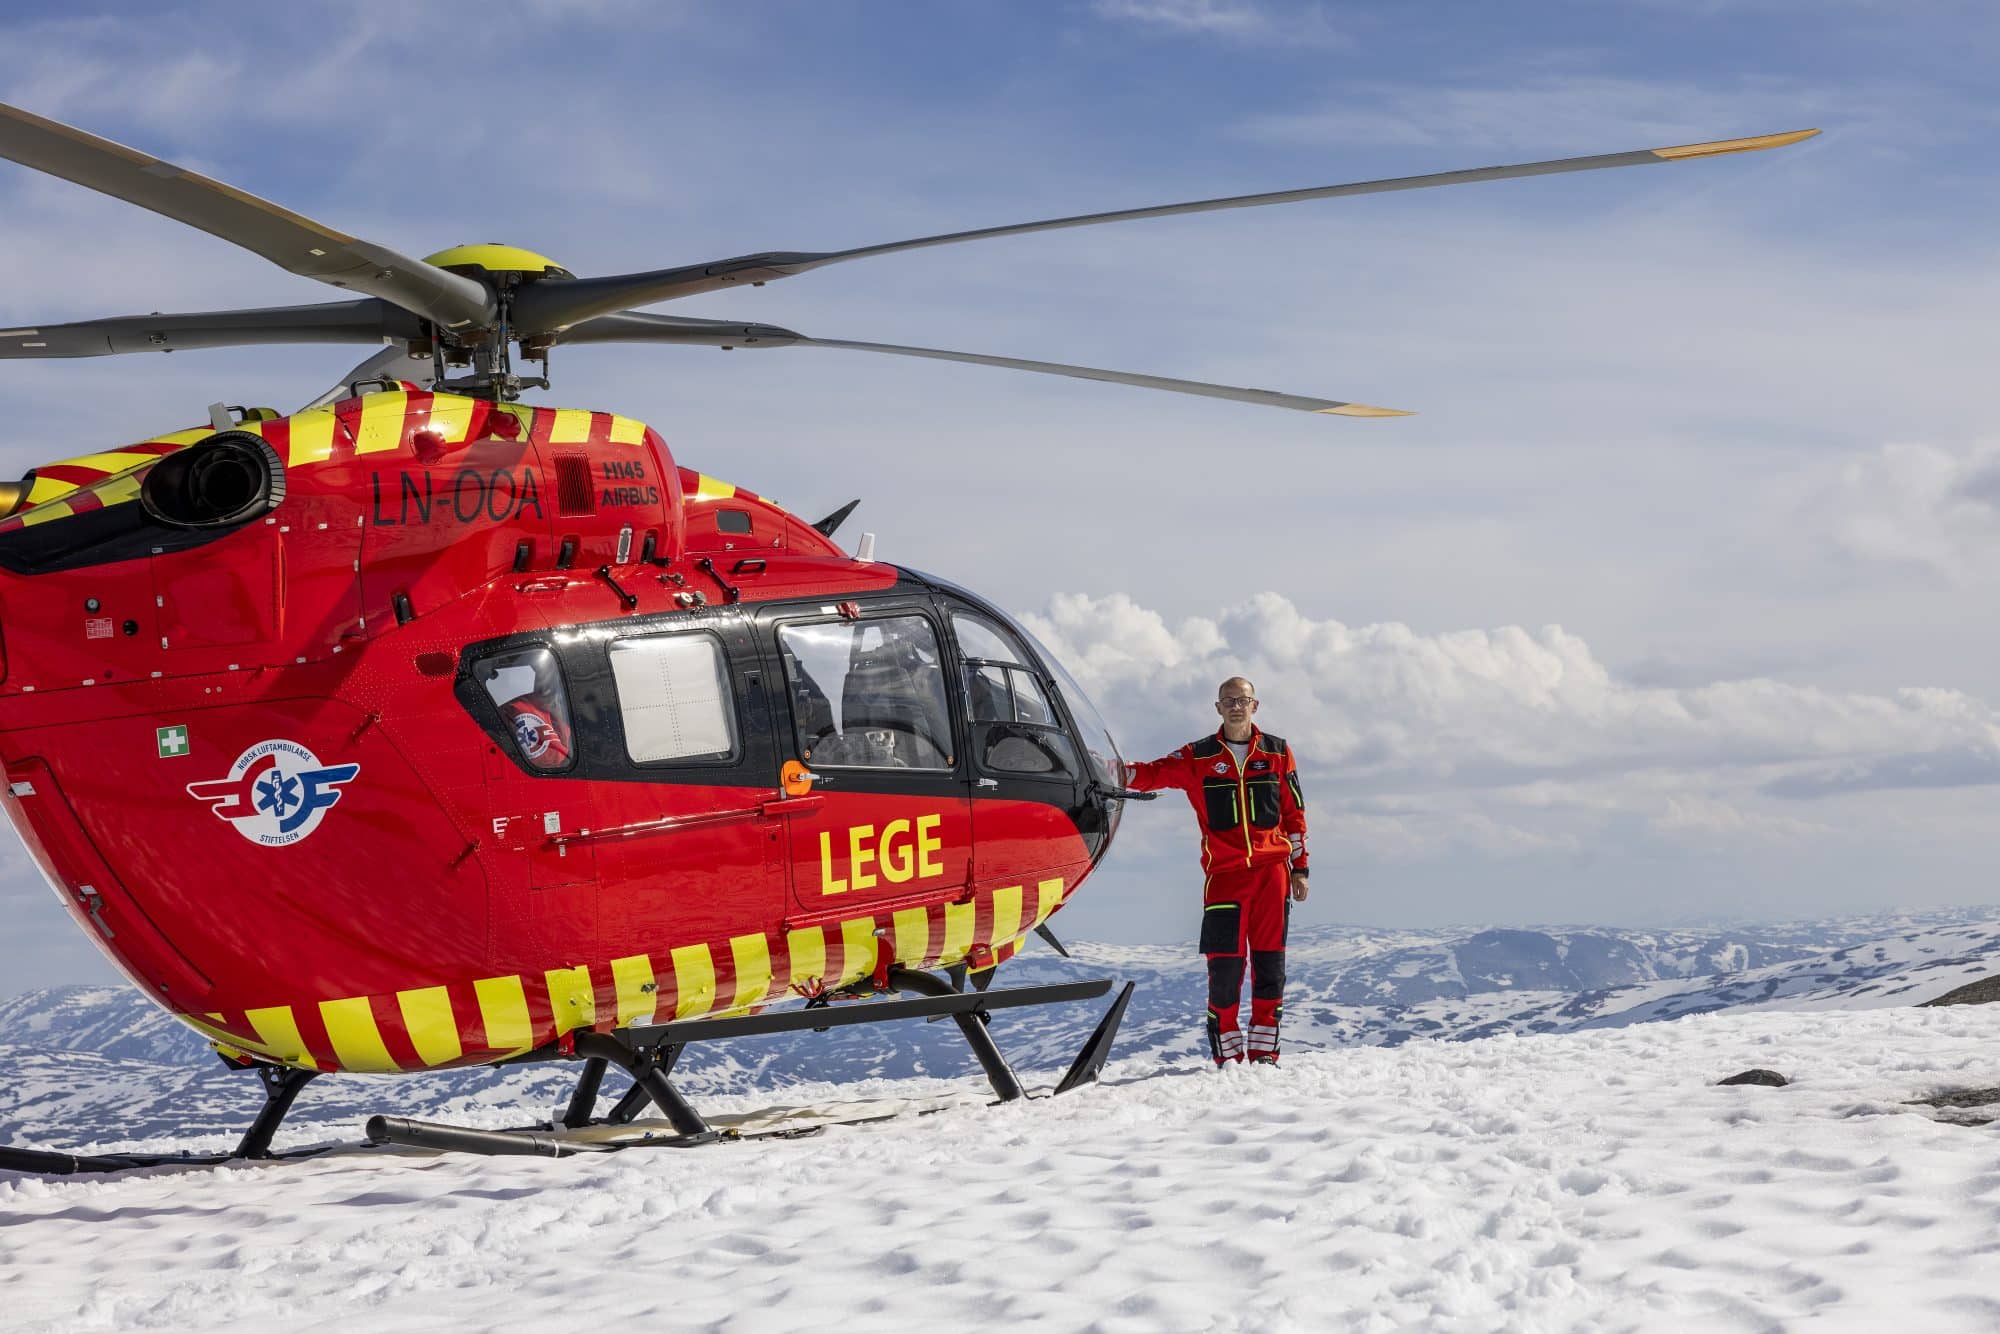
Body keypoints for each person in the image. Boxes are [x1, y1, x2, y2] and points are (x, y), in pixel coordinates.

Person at [1127, 677, 1309, 1066]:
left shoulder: (1278, 752)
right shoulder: (1199, 756)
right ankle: (1228, 1058)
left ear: (1255, 705)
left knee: (1269, 966)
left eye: (1243, 700)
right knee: (1224, 970)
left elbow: (1294, 816)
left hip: (1272, 875)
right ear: (1218, 708)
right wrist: (1110, 771)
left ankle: (1264, 1054)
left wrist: (1300, 867)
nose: (1236, 707)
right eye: (1229, 701)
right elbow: (1152, 772)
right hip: (1225, 878)